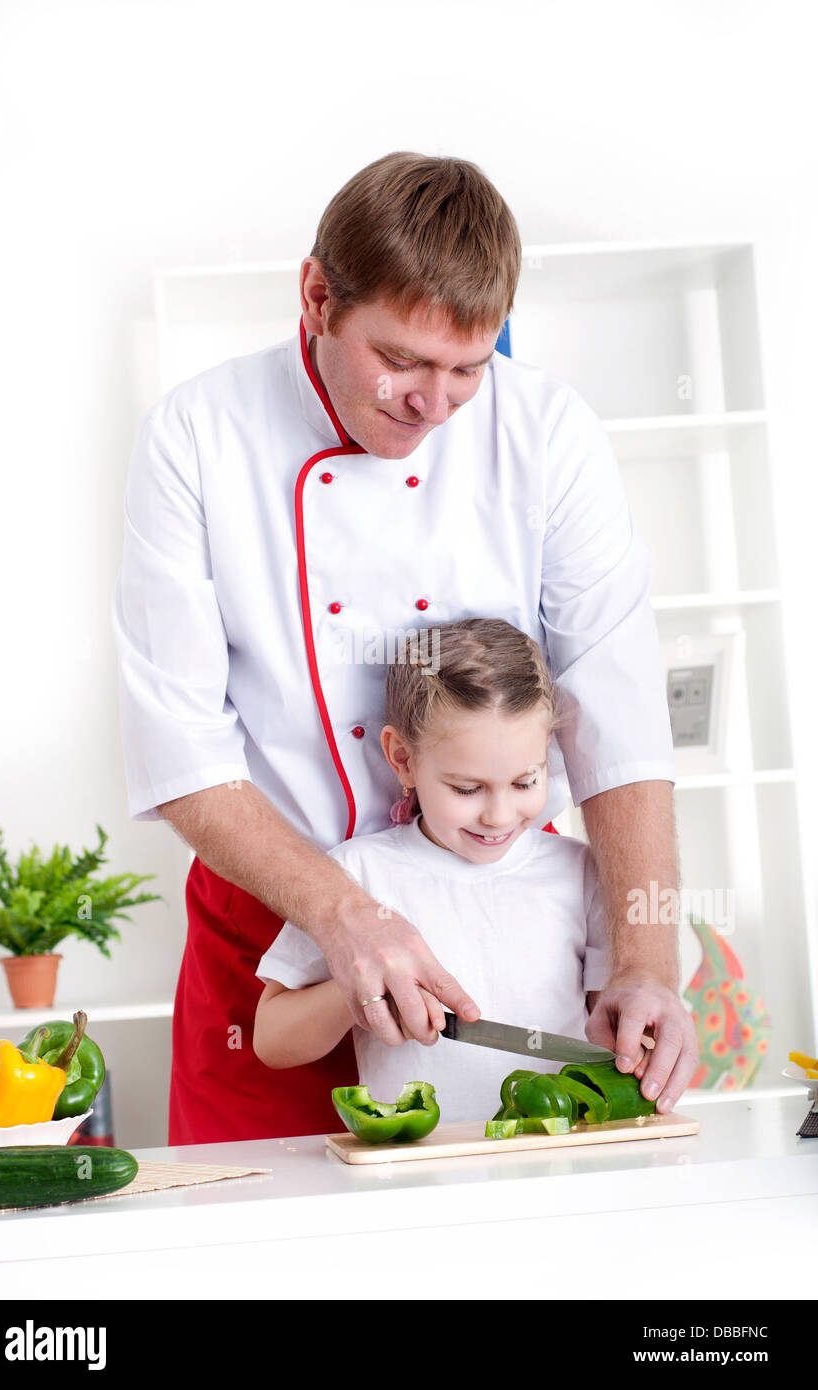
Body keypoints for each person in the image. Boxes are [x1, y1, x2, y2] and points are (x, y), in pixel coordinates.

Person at [111, 150, 697, 1145]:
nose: (432, 403)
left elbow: (619, 720)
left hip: (493, 923)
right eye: (400, 360)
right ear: (315, 296)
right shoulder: (196, 437)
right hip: (272, 936)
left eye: (465, 368)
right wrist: (345, 914)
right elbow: (182, 755)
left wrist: (642, 958)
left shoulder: (547, 432)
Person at [253, 619, 630, 1121]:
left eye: (524, 782)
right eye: (467, 789)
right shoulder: (356, 874)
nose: (498, 815)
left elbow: (613, 1028)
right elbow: (271, 1040)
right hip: (417, 1165)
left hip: (557, 1154)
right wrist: (362, 992)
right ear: (403, 759)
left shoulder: (578, 870)